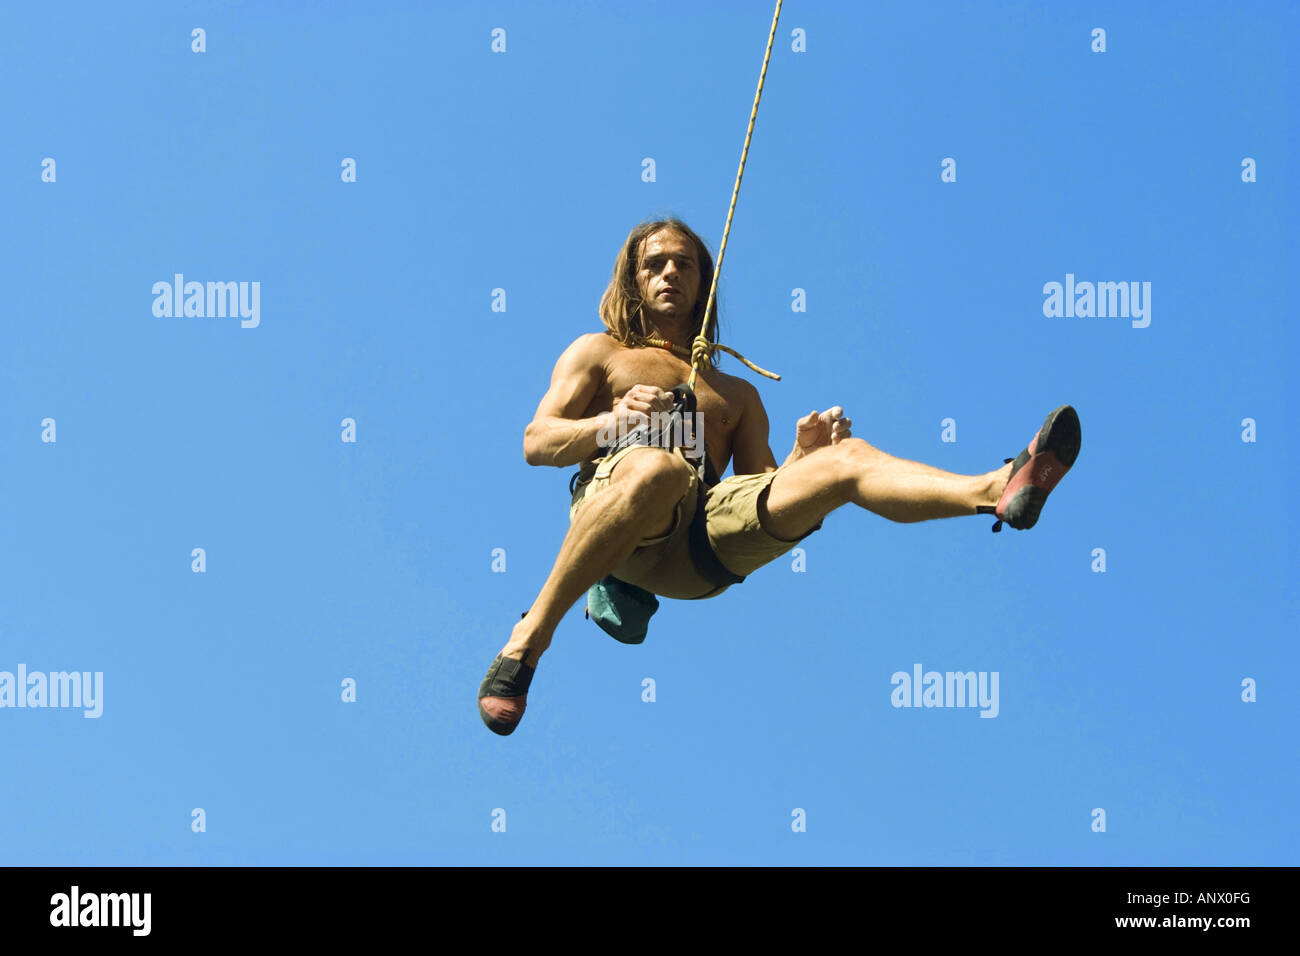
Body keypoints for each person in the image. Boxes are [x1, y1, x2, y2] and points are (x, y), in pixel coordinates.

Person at [478, 218, 1081, 735]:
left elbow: (761, 501)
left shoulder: (738, 397)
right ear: (632, 279)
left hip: (701, 557)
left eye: (684, 264)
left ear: (702, 282)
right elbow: (537, 443)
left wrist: (803, 461)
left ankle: (994, 489)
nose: (669, 274)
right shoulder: (599, 353)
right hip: (627, 531)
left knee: (843, 461)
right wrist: (614, 422)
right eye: (654, 264)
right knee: (658, 467)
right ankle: (530, 637)